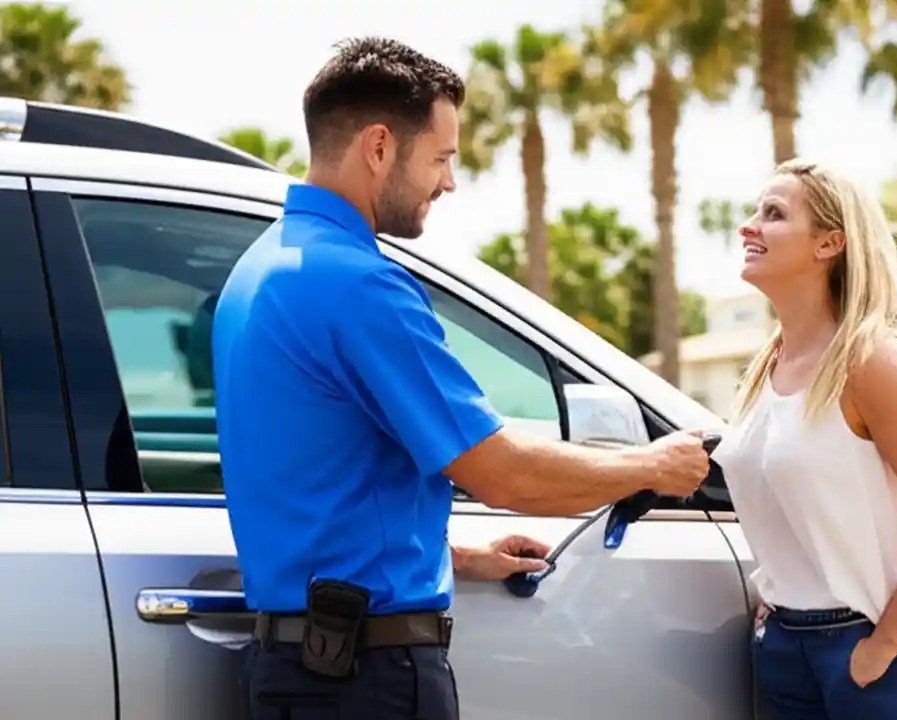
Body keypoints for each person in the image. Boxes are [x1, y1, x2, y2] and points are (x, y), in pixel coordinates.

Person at [212, 37, 710, 720]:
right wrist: (651, 464)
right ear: (379, 146)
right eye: (441, 158)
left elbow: (314, 480)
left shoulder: (259, 269)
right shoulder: (357, 285)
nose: (448, 182)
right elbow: (502, 474)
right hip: (366, 680)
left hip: (293, 672)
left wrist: (459, 557)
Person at [709, 159, 897, 719]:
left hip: (881, 654)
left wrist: (882, 648)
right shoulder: (766, 366)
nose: (749, 226)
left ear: (829, 244)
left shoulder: (870, 360)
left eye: (773, 214)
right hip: (787, 649)